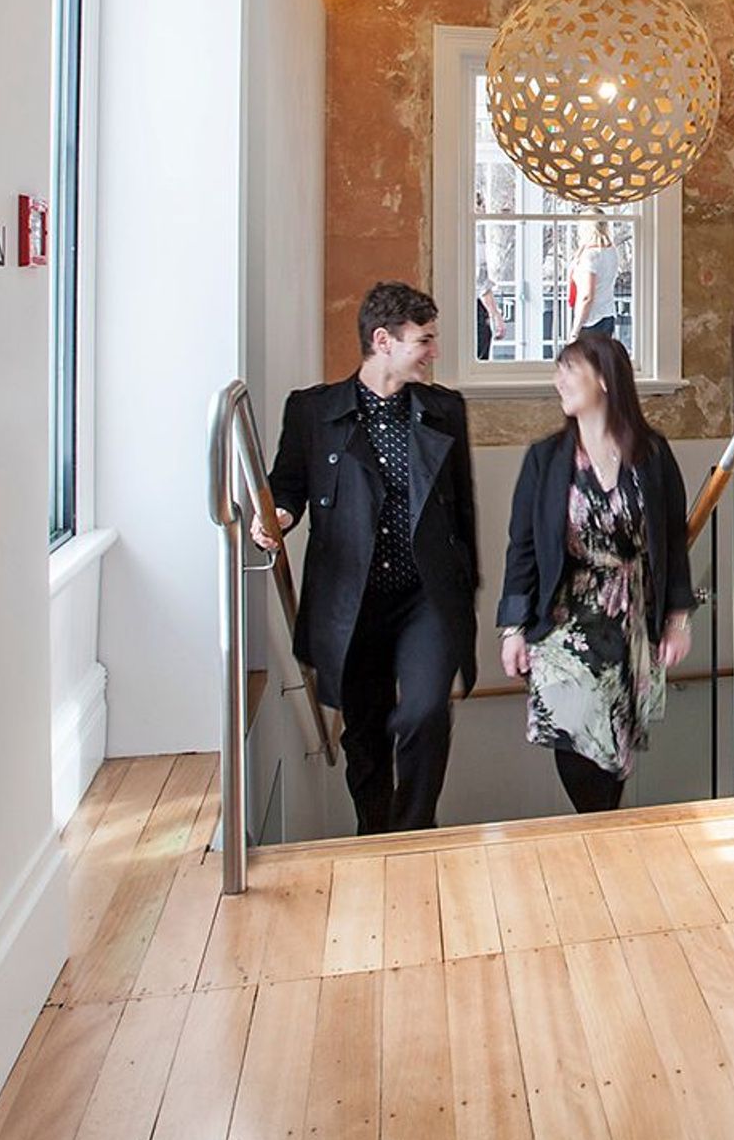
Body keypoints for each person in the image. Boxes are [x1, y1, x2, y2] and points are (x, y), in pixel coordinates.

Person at [259, 282, 480, 834]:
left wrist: (466, 591)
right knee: (364, 733)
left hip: (424, 597)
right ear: (383, 340)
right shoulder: (313, 411)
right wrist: (280, 518)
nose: (433, 352)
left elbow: (463, 512)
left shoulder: (444, 409)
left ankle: (414, 830)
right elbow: (286, 487)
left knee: (426, 710)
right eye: (423, 341)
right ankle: (373, 835)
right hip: (351, 600)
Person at [496, 328, 695, 813]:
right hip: (564, 622)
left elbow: (671, 539)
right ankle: (596, 830)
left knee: (614, 750)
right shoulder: (545, 460)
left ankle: (601, 834)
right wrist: (513, 629)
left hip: (629, 620)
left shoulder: (651, 455)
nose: (557, 379)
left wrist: (677, 619)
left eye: (569, 369)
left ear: (604, 379)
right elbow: (521, 548)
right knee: (574, 735)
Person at [566, 216, 622, 338]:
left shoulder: (591, 256)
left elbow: (587, 297)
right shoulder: (611, 251)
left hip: (591, 319)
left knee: (587, 357)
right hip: (607, 314)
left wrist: (575, 331)